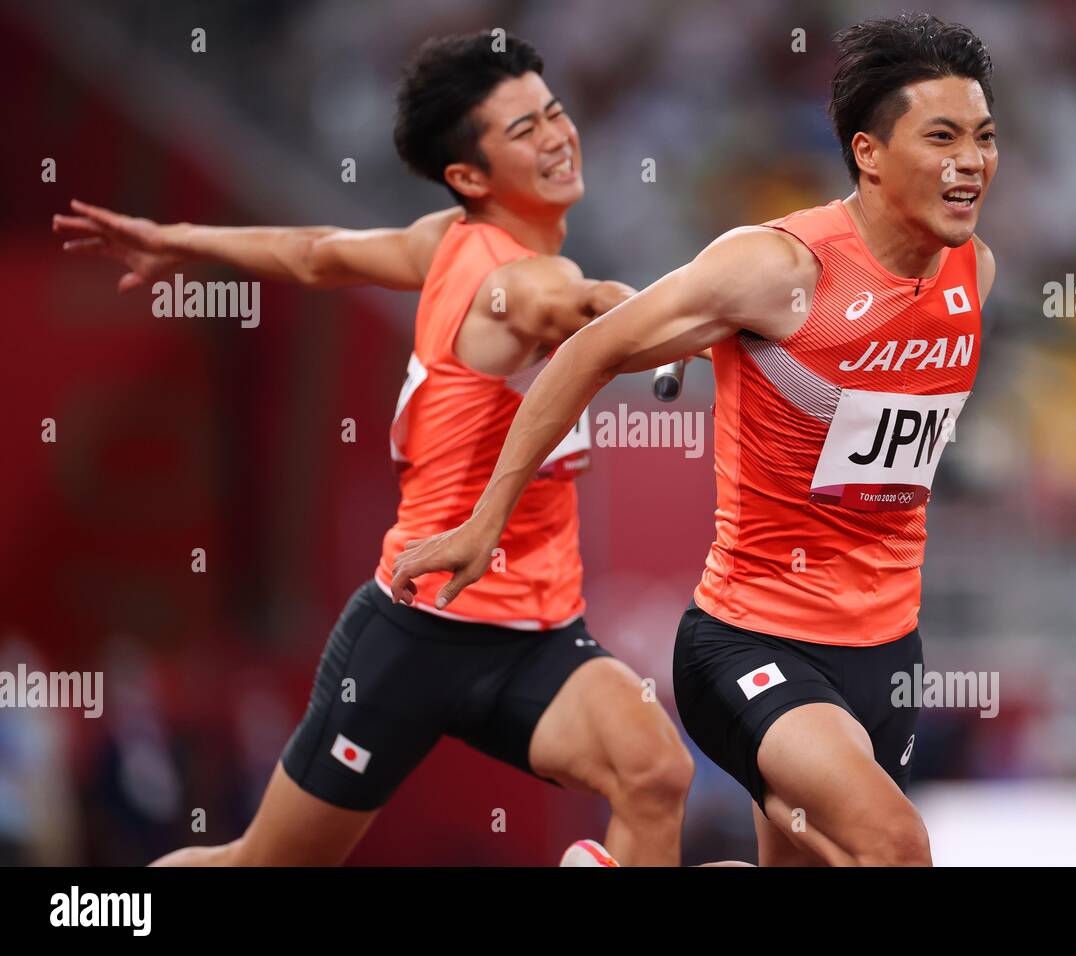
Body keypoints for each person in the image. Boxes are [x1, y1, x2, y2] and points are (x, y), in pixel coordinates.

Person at [57, 30, 693, 867]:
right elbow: (586, 306)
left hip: (535, 639)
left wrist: (183, 240)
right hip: (414, 633)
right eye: (523, 131)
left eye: (554, 112)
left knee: (656, 773)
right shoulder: (520, 284)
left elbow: (317, 253)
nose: (556, 136)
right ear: (468, 176)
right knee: (262, 864)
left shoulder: (448, 242)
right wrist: (662, 315)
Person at [391, 14, 998, 867]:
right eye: (942, 137)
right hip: (754, 643)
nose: (971, 160)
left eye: (983, 136)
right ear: (869, 152)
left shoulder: (975, 269)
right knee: (896, 850)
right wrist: (487, 520)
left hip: (891, 651)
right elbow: (587, 352)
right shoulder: (778, 269)